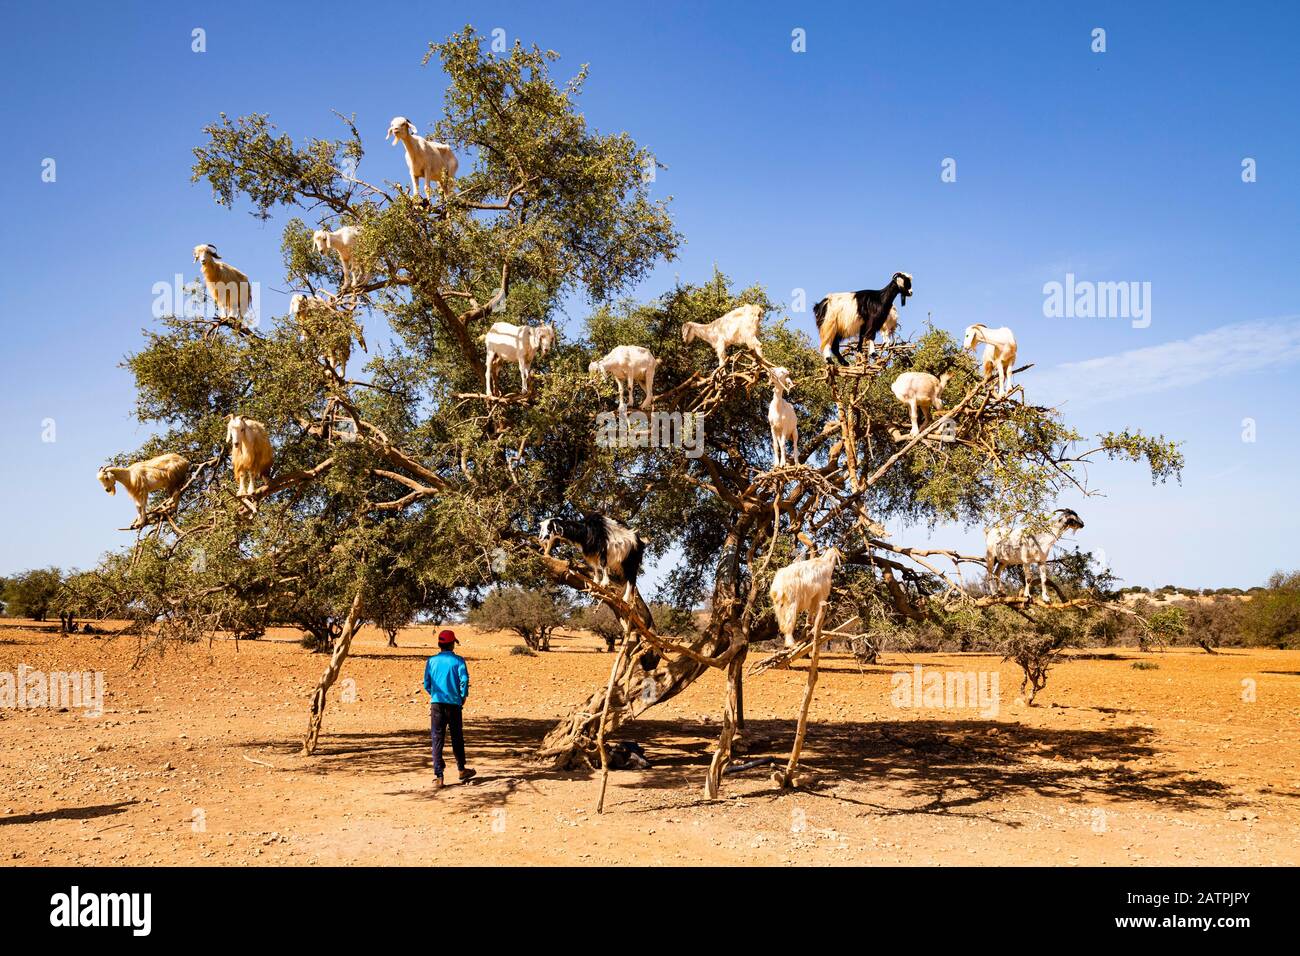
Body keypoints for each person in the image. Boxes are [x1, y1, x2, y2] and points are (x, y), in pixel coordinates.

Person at [423, 628, 476, 789]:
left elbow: (427, 684)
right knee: (457, 738)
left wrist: (436, 695)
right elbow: (464, 680)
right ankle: (461, 769)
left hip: (437, 705)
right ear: (452, 644)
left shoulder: (431, 661)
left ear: (440, 644)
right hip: (454, 705)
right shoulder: (458, 661)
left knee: (437, 739)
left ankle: (439, 776)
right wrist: (462, 696)